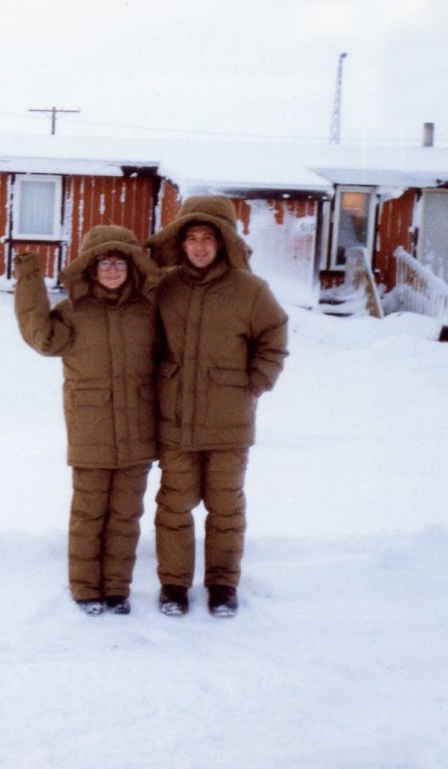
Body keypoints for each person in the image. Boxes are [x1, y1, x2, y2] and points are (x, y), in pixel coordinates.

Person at [144, 196, 288, 618]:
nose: (200, 246)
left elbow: (274, 337)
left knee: (226, 507)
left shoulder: (251, 290)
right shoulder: (165, 287)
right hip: (176, 421)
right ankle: (173, 585)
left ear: (224, 242)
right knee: (174, 504)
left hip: (229, 423)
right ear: (182, 242)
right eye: (191, 238)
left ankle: (223, 585)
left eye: (209, 237)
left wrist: (254, 383)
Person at [13, 225, 161, 616]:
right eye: (104, 264)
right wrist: (29, 277)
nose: (112, 270)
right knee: (88, 516)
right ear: (90, 269)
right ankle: (84, 590)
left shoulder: (150, 311)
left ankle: (116, 590)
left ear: (132, 267)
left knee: (126, 518)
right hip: (91, 432)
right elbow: (43, 338)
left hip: (139, 433)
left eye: (119, 263)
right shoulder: (73, 312)